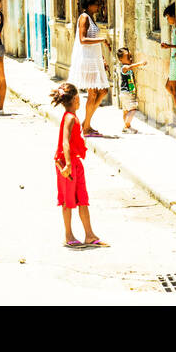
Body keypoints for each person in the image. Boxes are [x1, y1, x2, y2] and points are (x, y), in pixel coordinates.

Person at [51, 82, 105, 248]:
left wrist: (100, 97)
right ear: (75, 99)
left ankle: (89, 235)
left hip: (75, 163)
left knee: (82, 199)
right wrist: (67, 164)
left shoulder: (73, 117)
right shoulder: (69, 118)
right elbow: (65, 142)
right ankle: (69, 235)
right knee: (68, 201)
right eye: (79, 97)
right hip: (67, 164)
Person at [69, 0, 110, 137]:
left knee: (103, 91)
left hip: (94, 59)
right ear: (89, 4)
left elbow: (93, 42)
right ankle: (86, 128)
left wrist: (103, 59)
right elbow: (83, 39)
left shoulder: (91, 18)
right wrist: (103, 39)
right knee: (93, 93)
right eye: (96, 4)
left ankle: (86, 123)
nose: (98, 6)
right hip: (87, 60)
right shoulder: (84, 18)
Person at [116, 48, 147, 133]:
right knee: (133, 109)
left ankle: (127, 126)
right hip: (126, 93)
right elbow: (129, 67)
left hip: (126, 93)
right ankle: (126, 126)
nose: (130, 58)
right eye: (128, 56)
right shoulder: (124, 67)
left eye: (131, 56)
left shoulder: (127, 68)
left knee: (126, 111)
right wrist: (140, 64)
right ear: (121, 59)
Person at [159, 3, 176, 130]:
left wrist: (169, 46)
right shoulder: (175, 29)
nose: (168, 20)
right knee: (169, 87)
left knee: (174, 90)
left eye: (168, 17)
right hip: (172, 60)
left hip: (175, 60)